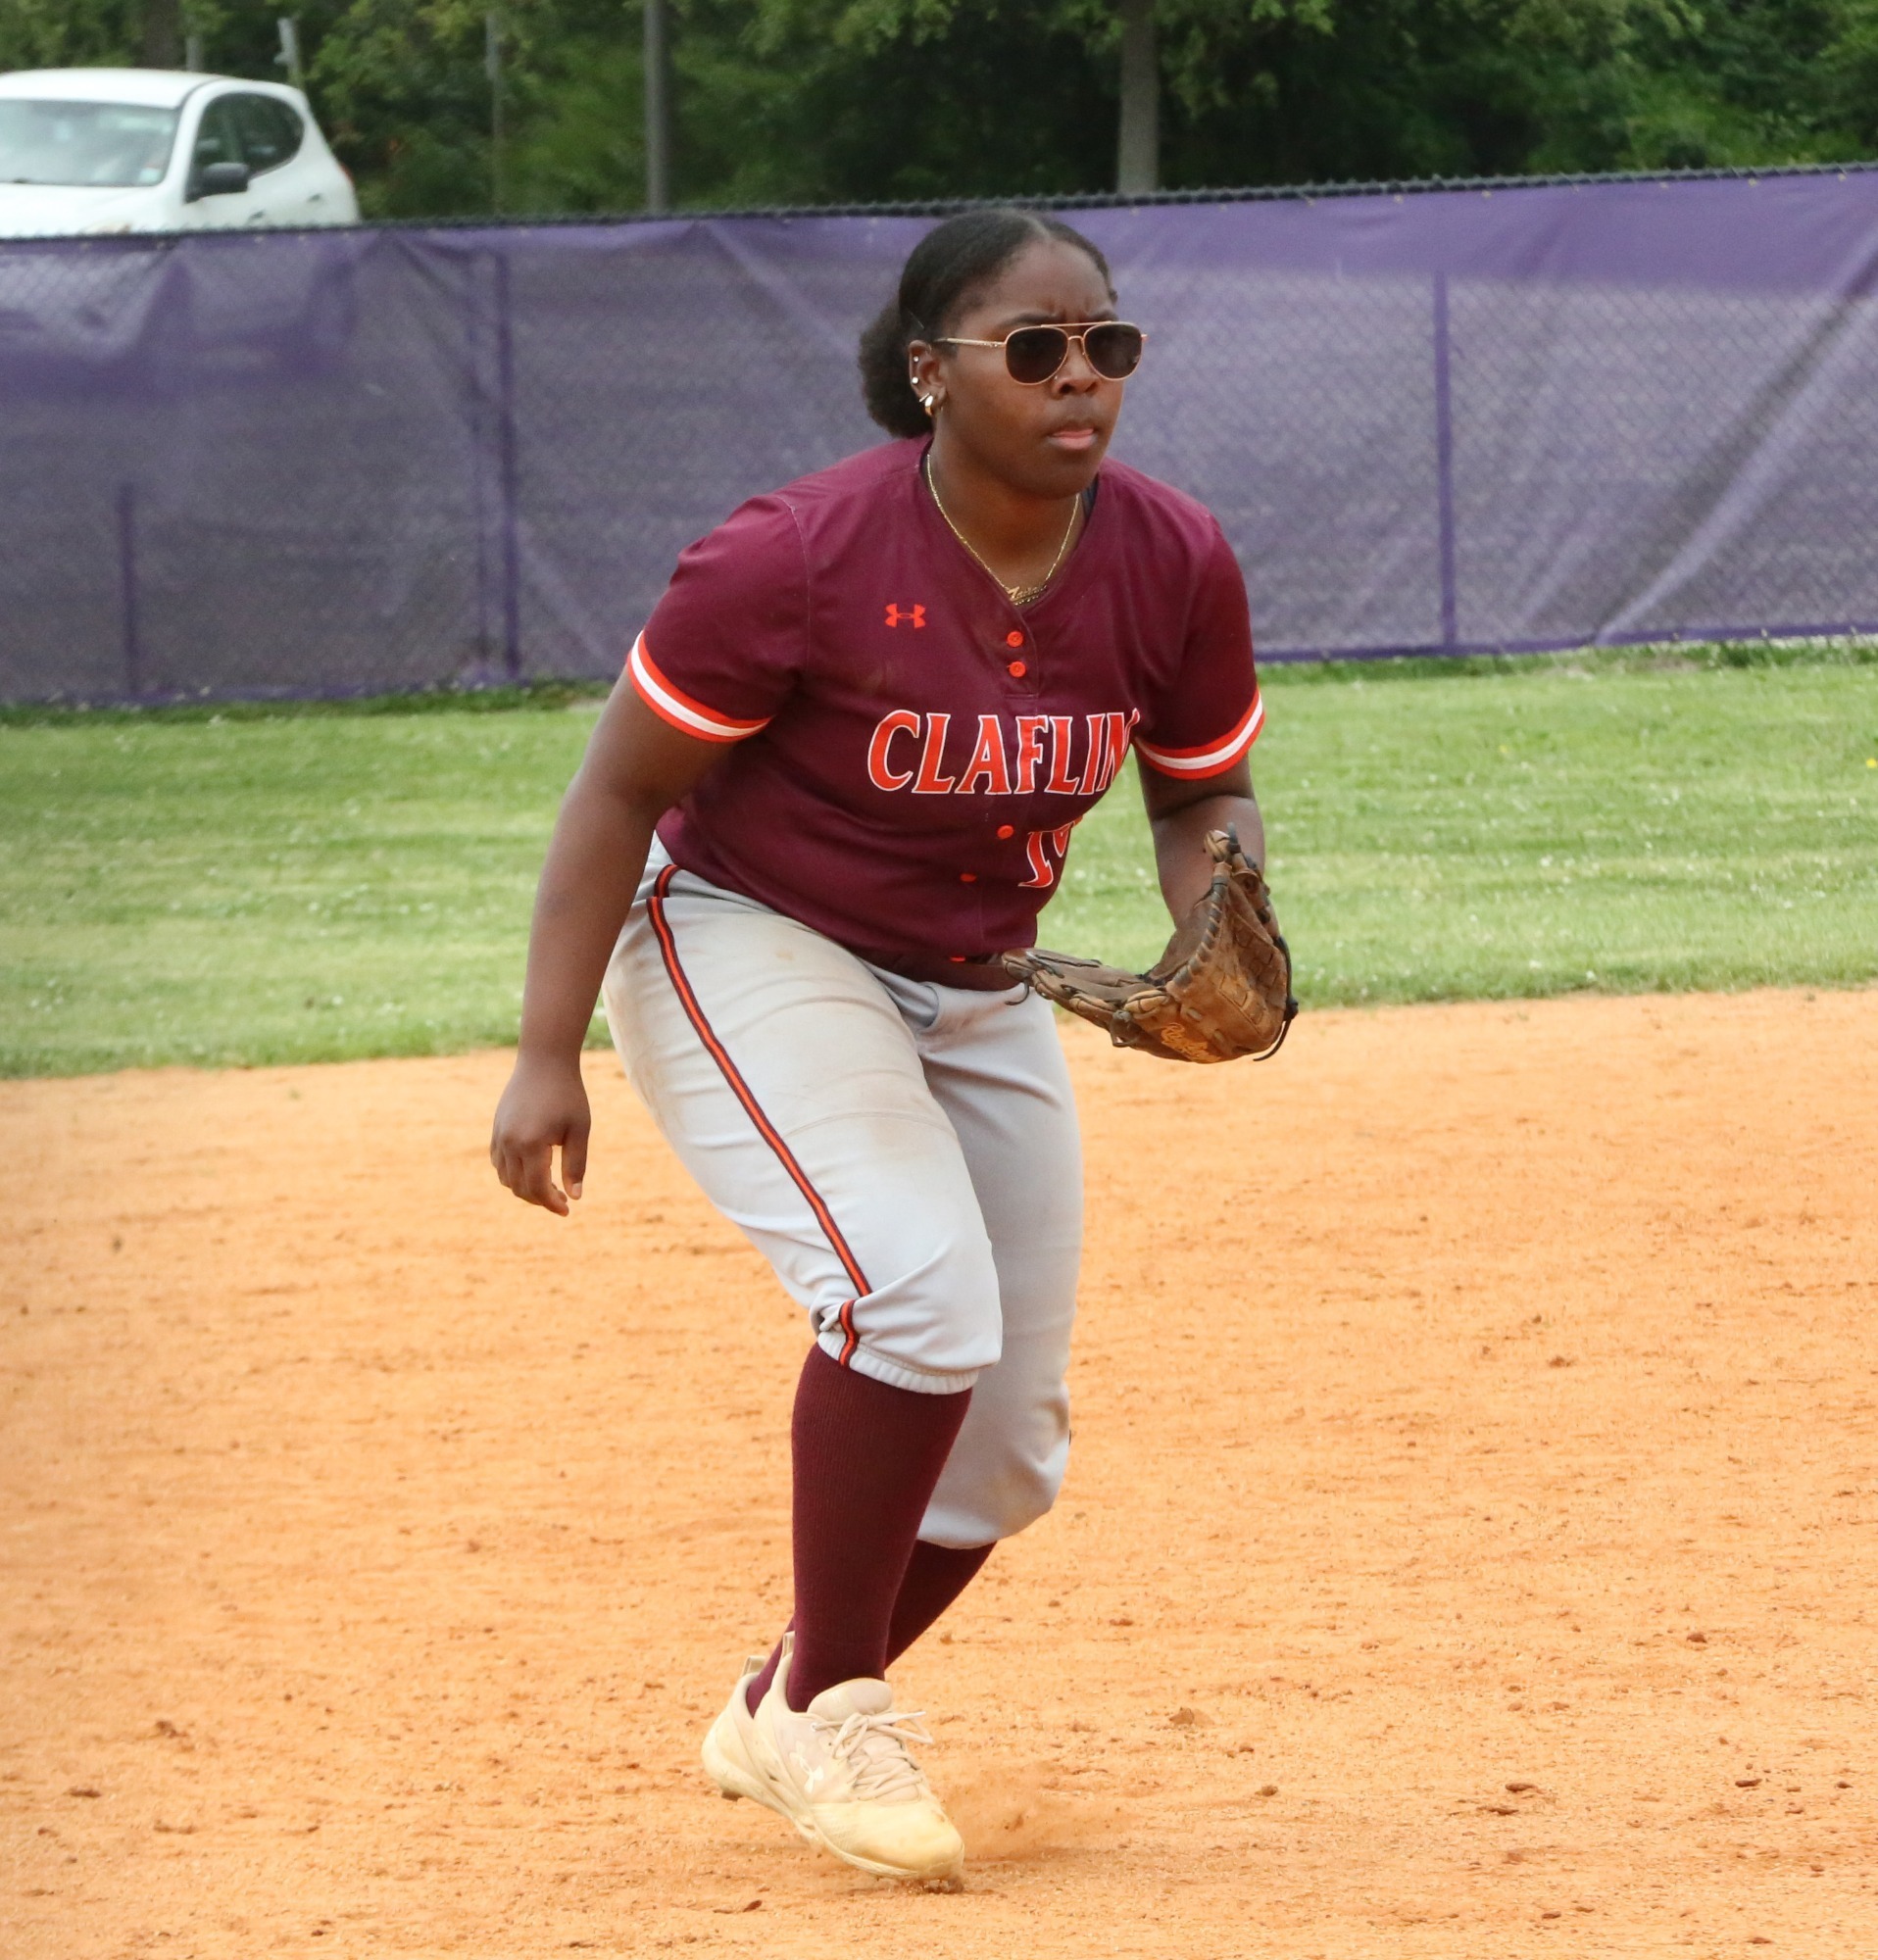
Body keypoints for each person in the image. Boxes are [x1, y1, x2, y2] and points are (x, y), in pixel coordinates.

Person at [489, 207, 1268, 1886]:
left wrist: (1223, 908)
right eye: (1035, 348)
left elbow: (1201, 782)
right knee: (913, 1288)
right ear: (930, 373)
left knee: (1005, 1449)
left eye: (1107, 346)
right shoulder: (790, 557)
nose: (1082, 380)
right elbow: (618, 792)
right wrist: (545, 1052)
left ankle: (776, 1699)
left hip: (977, 975)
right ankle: (835, 1701)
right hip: (752, 938)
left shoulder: (1172, 557)